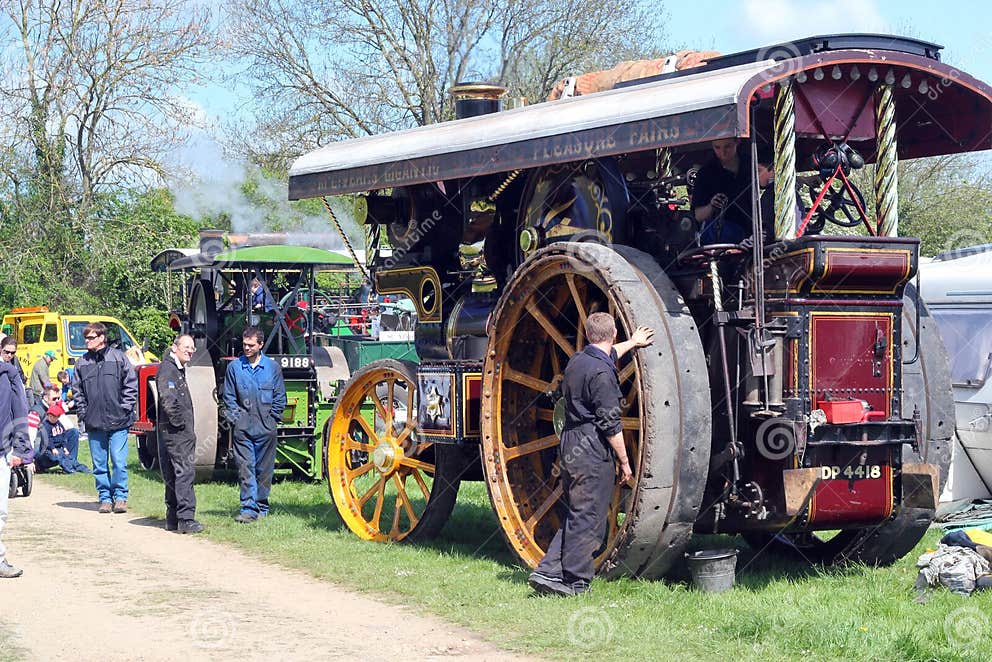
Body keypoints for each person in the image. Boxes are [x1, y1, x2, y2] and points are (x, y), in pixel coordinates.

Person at [528, 313, 655, 596]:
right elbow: (611, 425)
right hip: (592, 448)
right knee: (590, 519)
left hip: (570, 443)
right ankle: (575, 582)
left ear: (587, 335)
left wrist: (633, 343)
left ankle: (548, 571)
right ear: (612, 335)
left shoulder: (578, 362)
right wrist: (625, 462)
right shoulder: (602, 375)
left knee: (577, 513)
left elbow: (607, 354)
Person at [71, 322, 138, 514]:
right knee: (99, 464)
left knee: (118, 461)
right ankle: (105, 499)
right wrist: (84, 413)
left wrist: (124, 408)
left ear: (102, 338)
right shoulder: (81, 363)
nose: (87, 341)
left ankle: (120, 497)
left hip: (119, 421)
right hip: (95, 423)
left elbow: (131, 385)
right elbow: (78, 392)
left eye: (90, 337)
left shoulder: (119, 358)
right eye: (86, 337)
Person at [223, 326, 286, 523]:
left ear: (260, 345)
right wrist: (236, 420)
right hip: (243, 429)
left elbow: (280, 396)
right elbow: (229, 397)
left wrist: (273, 419)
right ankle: (248, 508)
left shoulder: (272, 368)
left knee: (264, 471)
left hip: (266, 430)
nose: (247, 348)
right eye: (244, 345)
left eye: (251, 345)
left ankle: (262, 506)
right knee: (246, 468)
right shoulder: (234, 368)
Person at [157, 334, 203, 534]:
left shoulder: (176, 369)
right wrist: (180, 425)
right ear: (174, 347)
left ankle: (173, 518)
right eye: (186, 347)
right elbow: (168, 399)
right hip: (176, 433)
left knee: (173, 473)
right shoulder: (168, 369)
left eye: (192, 348)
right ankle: (185, 519)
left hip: (173, 431)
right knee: (184, 473)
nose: (190, 350)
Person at [1, 357, 32, 578]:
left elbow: (19, 410)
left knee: (0, 512)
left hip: (1, 451)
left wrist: (21, 449)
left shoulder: (8, 373)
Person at [691, 137, 754, 244]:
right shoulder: (705, 173)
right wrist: (712, 206)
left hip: (755, 233)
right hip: (725, 239)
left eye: (727, 146)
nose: (722, 153)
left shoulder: (751, 163)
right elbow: (698, 215)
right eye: (717, 147)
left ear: (737, 142)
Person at [34, 400, 89, 475]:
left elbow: (63, 435)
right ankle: (69, 469)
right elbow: (47, 440)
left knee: (68, 455)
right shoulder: (45, 426)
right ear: (48, 415)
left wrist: (65, 447)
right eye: (51, 416)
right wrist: (53, 448)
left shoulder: (58, 424)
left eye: (56, 417)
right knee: (60, 456)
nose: (53, 418)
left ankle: (82, 468)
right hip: (47, 451)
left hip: (59, 448)